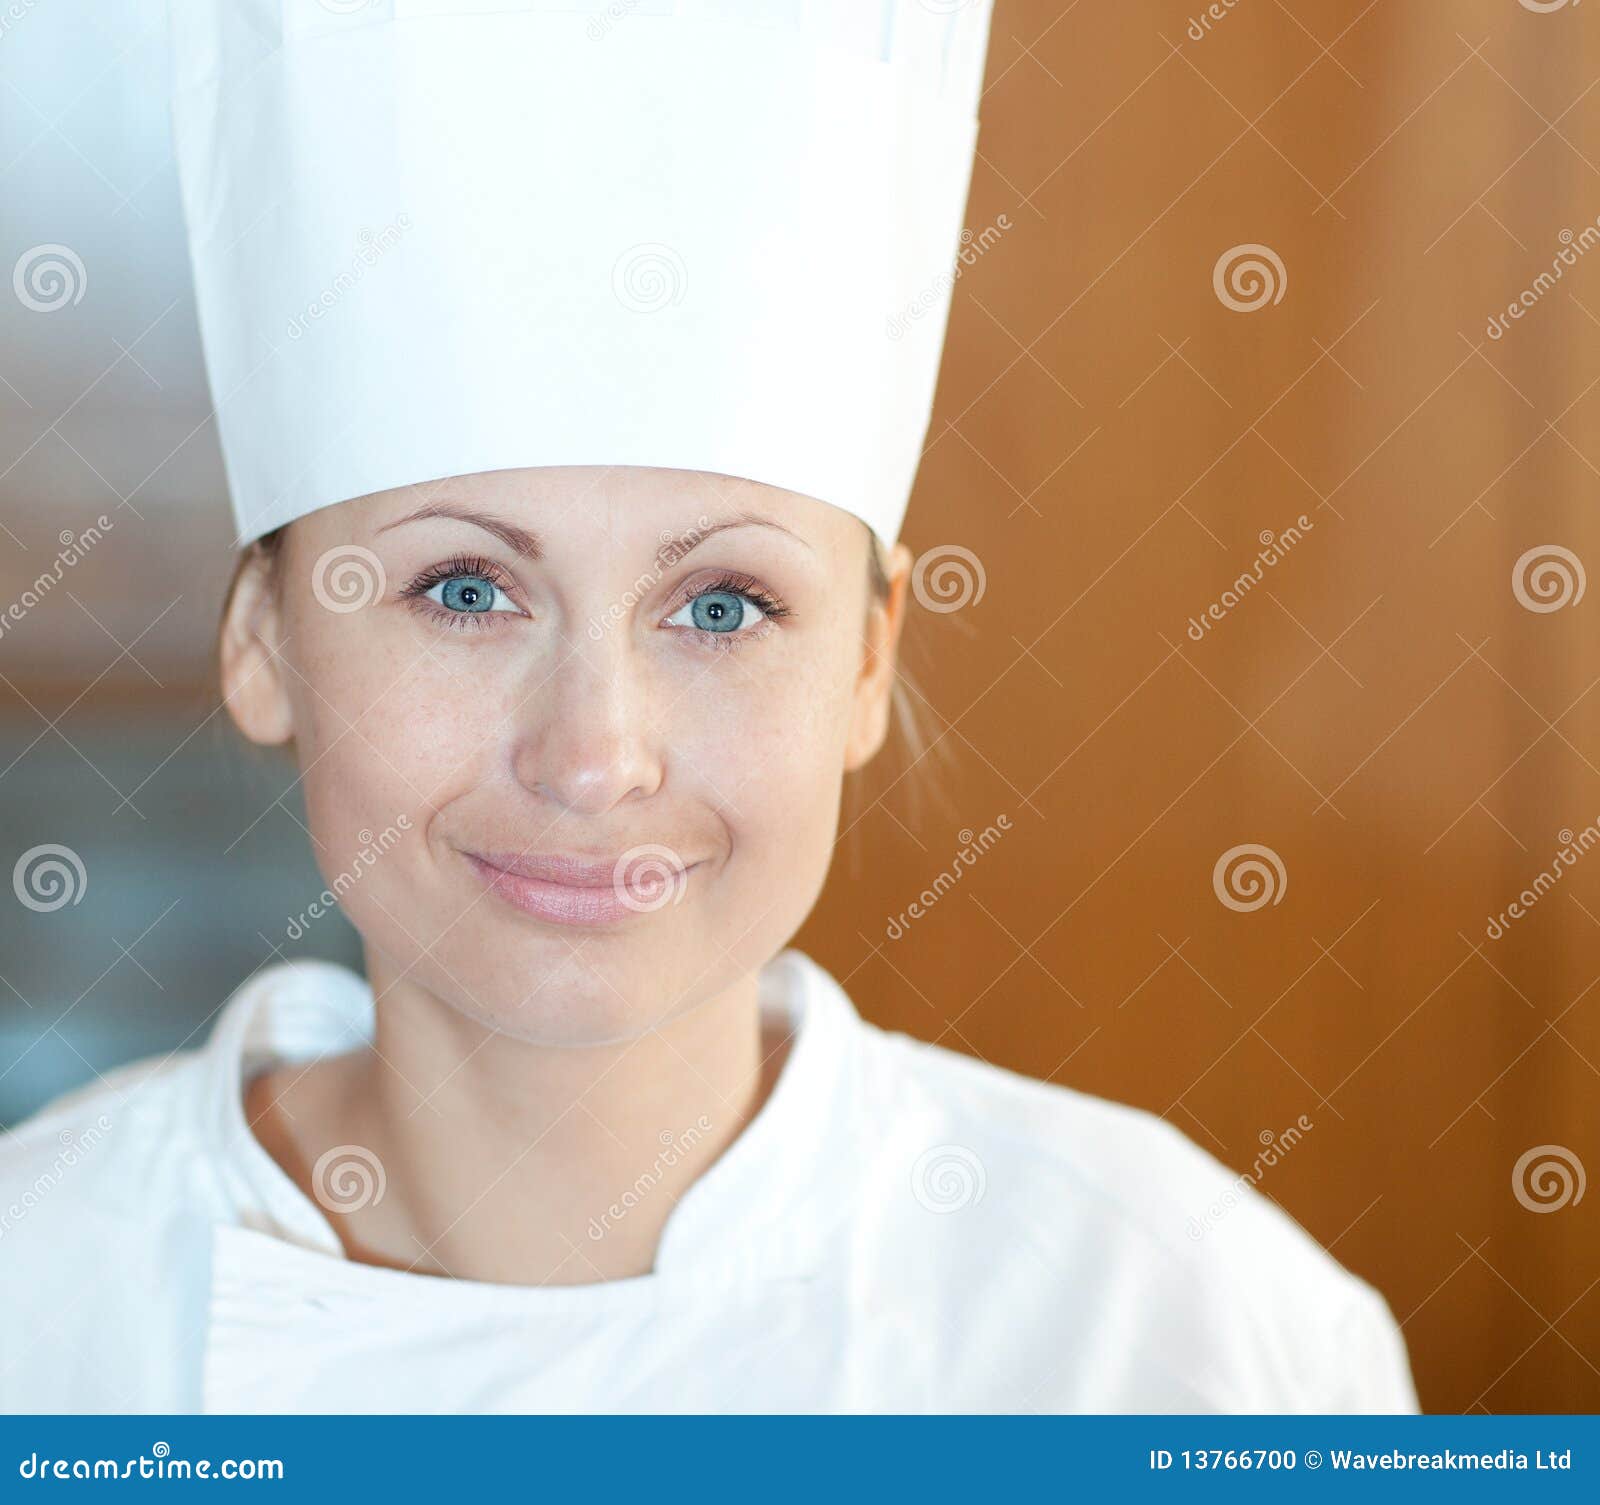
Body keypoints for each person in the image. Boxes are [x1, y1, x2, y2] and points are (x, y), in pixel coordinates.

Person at [0, 0, 1418, 1413]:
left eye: (722, 606)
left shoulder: (1195, 1333)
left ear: (868, 660)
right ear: (262, 640)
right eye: (465, 590)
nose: (594, 756)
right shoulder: (43, 1299)